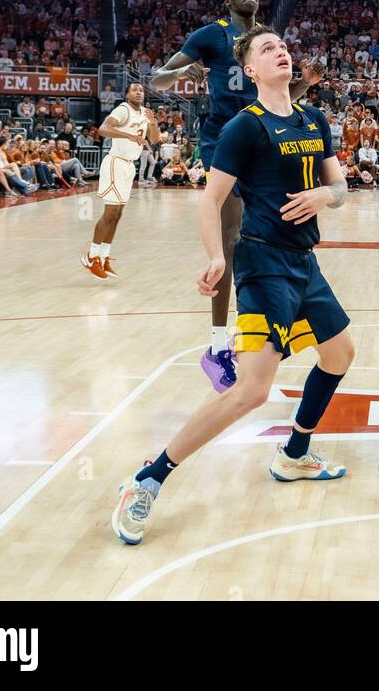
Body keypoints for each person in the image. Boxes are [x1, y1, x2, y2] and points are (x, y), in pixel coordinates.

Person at [112, 27, 355, 545]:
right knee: (251, 390)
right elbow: (209, 199)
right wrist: (215, 257)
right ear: (249, 71)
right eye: (267, 49)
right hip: (262, 264)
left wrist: (323, 199)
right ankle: (147, 479)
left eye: (283, 45)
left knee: (339, 354)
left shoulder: (314, 119)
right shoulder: (245, 127)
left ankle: (294, 455)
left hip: (304, 263)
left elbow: (341, 187)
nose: (280, 51)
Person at [150, 0, 322, 392]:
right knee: (230, 241)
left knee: (276, 233)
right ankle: (216, 347)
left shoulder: (265, 40)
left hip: (267, 143)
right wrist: (179, 71)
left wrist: (307, 84)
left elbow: (280, 97)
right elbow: (157, 80)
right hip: (224, 142)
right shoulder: (210, 35)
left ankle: (270, 325)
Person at [82, 83, 157, 279]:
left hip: (129, 166)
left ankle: (104, 257)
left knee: (118, 215)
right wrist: (128, 135)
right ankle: (91, 256)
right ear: (127, 95)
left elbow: (155, 140)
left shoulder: (144, 113)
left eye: (141, 90)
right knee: (110, 213)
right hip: (115, 163)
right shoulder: (123, 110)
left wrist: (153, 122)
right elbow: (104, 129)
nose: (139, 92)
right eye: (134, 90)